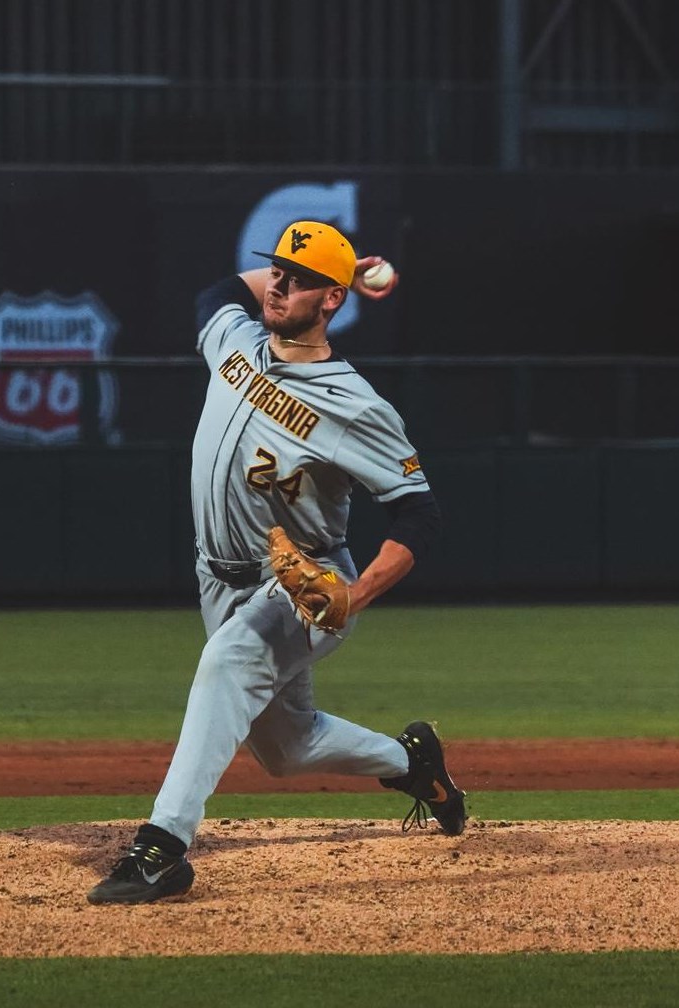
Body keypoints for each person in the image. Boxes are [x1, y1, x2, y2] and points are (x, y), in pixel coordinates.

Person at [86, 221, 461, 905]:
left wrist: (356, 594)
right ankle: (413, 763)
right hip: (217, 578)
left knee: (226, 664)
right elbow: (219, 290)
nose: (279, 283)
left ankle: (161, 849)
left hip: (302, 584)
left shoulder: (354, 405)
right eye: (277, 270)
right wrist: (327, 270)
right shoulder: (235, 340)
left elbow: (419, 513)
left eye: (300, 278)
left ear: (332, 302)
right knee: (286, 751)